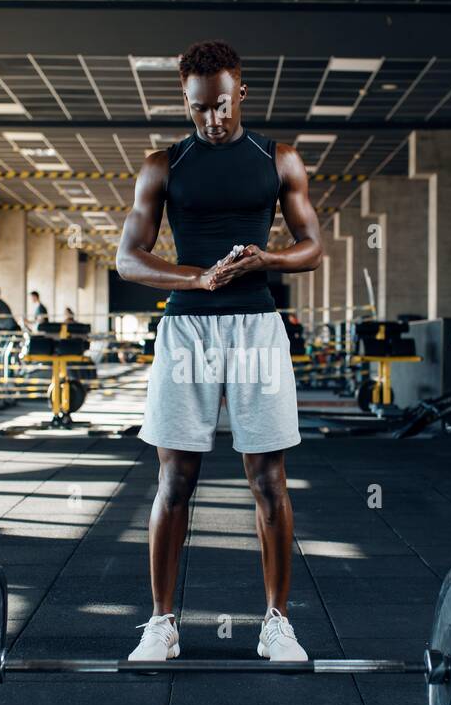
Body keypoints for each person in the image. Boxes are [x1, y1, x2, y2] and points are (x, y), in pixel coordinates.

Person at [116, 39, 322, 663]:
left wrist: (268, 258)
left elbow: (312, 244)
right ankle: (161, 623)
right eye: (200, 108)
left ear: (242, 94)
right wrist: (195, 278)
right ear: (186, 101)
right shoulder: (162, 165)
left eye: (223, 104)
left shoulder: (278, 157)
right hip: (188, 330)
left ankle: (277, 622)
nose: (213, 118)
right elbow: (128, 258)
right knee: (174, 478)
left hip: (257, 326)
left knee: (269, 480)